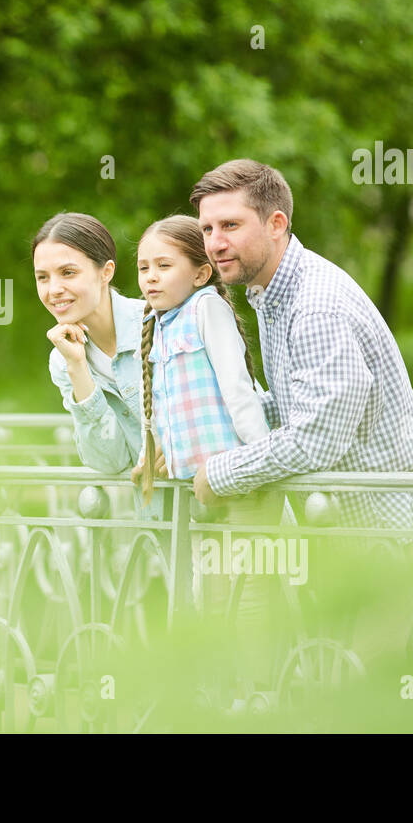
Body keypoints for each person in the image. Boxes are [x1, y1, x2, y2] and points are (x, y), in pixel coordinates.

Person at [188, 158, 413, 666]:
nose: (215, 242)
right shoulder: (272, 293)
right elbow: (291, 407)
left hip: (389, 533)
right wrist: (194, 440)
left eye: (230, 225)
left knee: (362, 697)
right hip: (350, 533)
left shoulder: (315, 306)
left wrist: (221, 472)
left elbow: (317, 437)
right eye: (207, 228)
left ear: (276, 223)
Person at [135, 213, 282, 702]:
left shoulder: (205, 311)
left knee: (251, 593)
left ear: (200, 274)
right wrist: (154, 450)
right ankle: (221, 695)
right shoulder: (157, 324)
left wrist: (262, 463)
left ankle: (259, 692)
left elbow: (238, 392)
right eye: (143, 268)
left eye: (163, 265)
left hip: (239, 478)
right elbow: (168, 407)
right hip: (202, 488)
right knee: (211, 591)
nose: (150, 277)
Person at [34, 212, 164, 511]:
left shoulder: (160, 320)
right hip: (160, 526)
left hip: (226, 511)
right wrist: (78, 367)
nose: (53, 290)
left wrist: (183, 447)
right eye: (43, 277)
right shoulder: (63, 358)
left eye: (68, 273)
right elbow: (109, 460)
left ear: (106, 272)